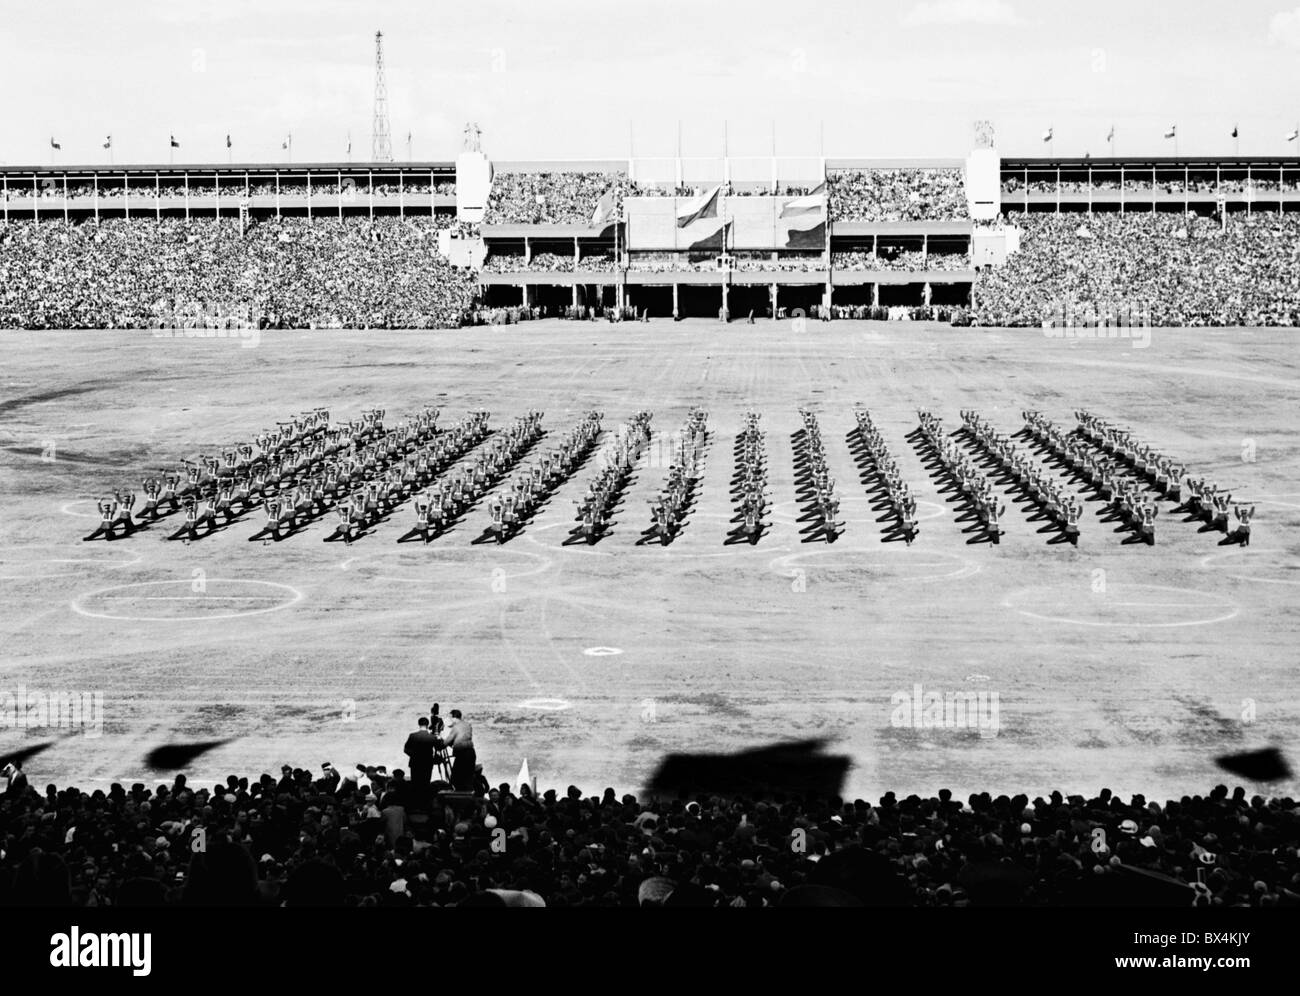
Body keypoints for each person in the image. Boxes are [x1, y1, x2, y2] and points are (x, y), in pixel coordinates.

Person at [438, 709, 476, 792]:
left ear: (453, 717)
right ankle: (467, 793)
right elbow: (461, 737)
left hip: (462, 754)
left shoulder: (456, 727)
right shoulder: (467, 725)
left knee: (456, 777)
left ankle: (459, 793)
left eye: (450, 718)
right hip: (471, 752)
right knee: (467, 777)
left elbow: (449, 740)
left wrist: (441, 744)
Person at [403, 717, 439, 799]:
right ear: (428, 725)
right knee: (426, 783)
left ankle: (415, 800)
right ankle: (425, 800)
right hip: (427, 763)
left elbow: (406, 749)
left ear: (419, 724)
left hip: (415, 763)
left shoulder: (413, 736)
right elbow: (440, 747)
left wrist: (414, 755)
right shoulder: (432, 737)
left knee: (415, 783)